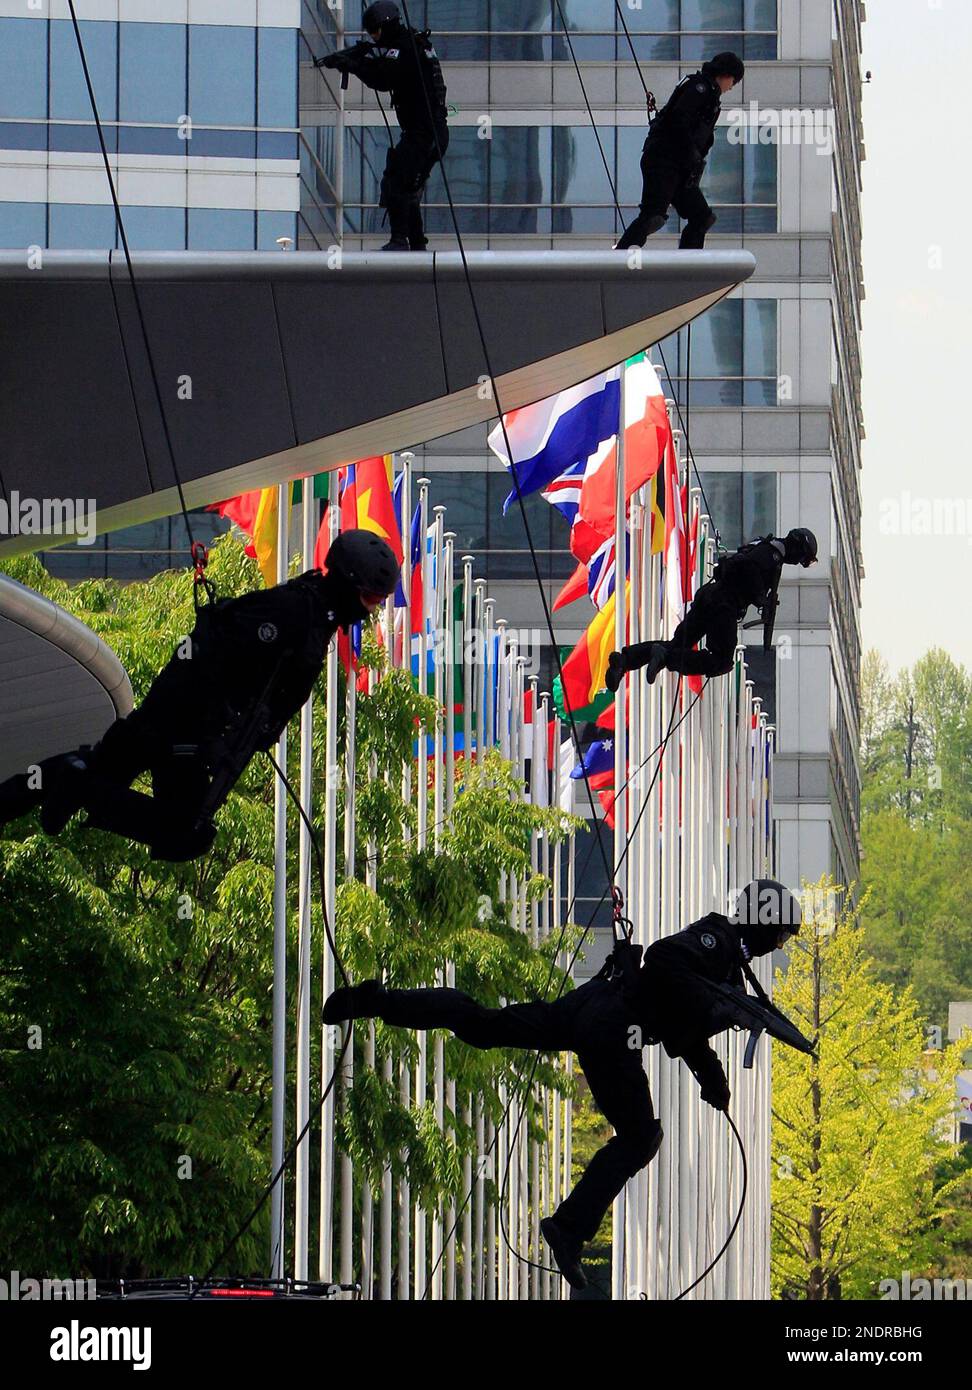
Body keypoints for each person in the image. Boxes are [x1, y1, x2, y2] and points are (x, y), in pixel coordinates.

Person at [323, 878, 804, 1291]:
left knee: (486, 1026)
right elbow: (662, 962)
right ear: (764, 923)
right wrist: (712, 1033)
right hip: (612, 1026)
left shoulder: (729, 972)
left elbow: (684, 1021)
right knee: (641, 1137)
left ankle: (381, 1003)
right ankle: (569, 1229)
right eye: (781, 933)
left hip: (593, 1011)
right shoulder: (717, 941)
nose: (780, 944)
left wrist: (710, 1074)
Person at [0, 531, 399, 862]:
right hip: (182, 724)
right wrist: (213, 731)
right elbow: (216, 651)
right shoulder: (294, 611)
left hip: (178, 719)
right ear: (349, 583)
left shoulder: (315, 618)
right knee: (183, 831)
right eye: (369, 598)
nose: (371, 609)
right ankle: (76, 783)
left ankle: (62, 780)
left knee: (100, 771)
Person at [607, 528, 818, 689]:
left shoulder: (766, 545)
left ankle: (625, 661)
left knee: (677, 644)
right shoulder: (773, 554)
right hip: (723, 605)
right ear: (798, 549)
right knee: (721, 661)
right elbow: (748, 567)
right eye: (802, 559)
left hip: (710, 596)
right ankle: (665, 658)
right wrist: (759, 598)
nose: (798, 563)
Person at [316, 1, 448, 252]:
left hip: (424, 133)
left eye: (376, 32)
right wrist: (356, 60)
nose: (375, 37)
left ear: (385, 26)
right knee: (407, 185)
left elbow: (383, 78)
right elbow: (386, 69)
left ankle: (400, 240)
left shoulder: (405, 47)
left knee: (396, 182)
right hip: (431, 133)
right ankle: (416, 243)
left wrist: (352, 65)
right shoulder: (414, 43)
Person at [615, 52, 745, 252]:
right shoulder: (699, 89)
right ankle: (621, 256)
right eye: (733, 82)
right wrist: (691, 153)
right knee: (653, 216)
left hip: (681, 168)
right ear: (727, 75)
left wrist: (694, 159)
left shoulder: (709, 95)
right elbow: (678, 122)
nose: (731, 88)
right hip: (663, 162)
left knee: (702, 217)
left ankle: (690, 264)